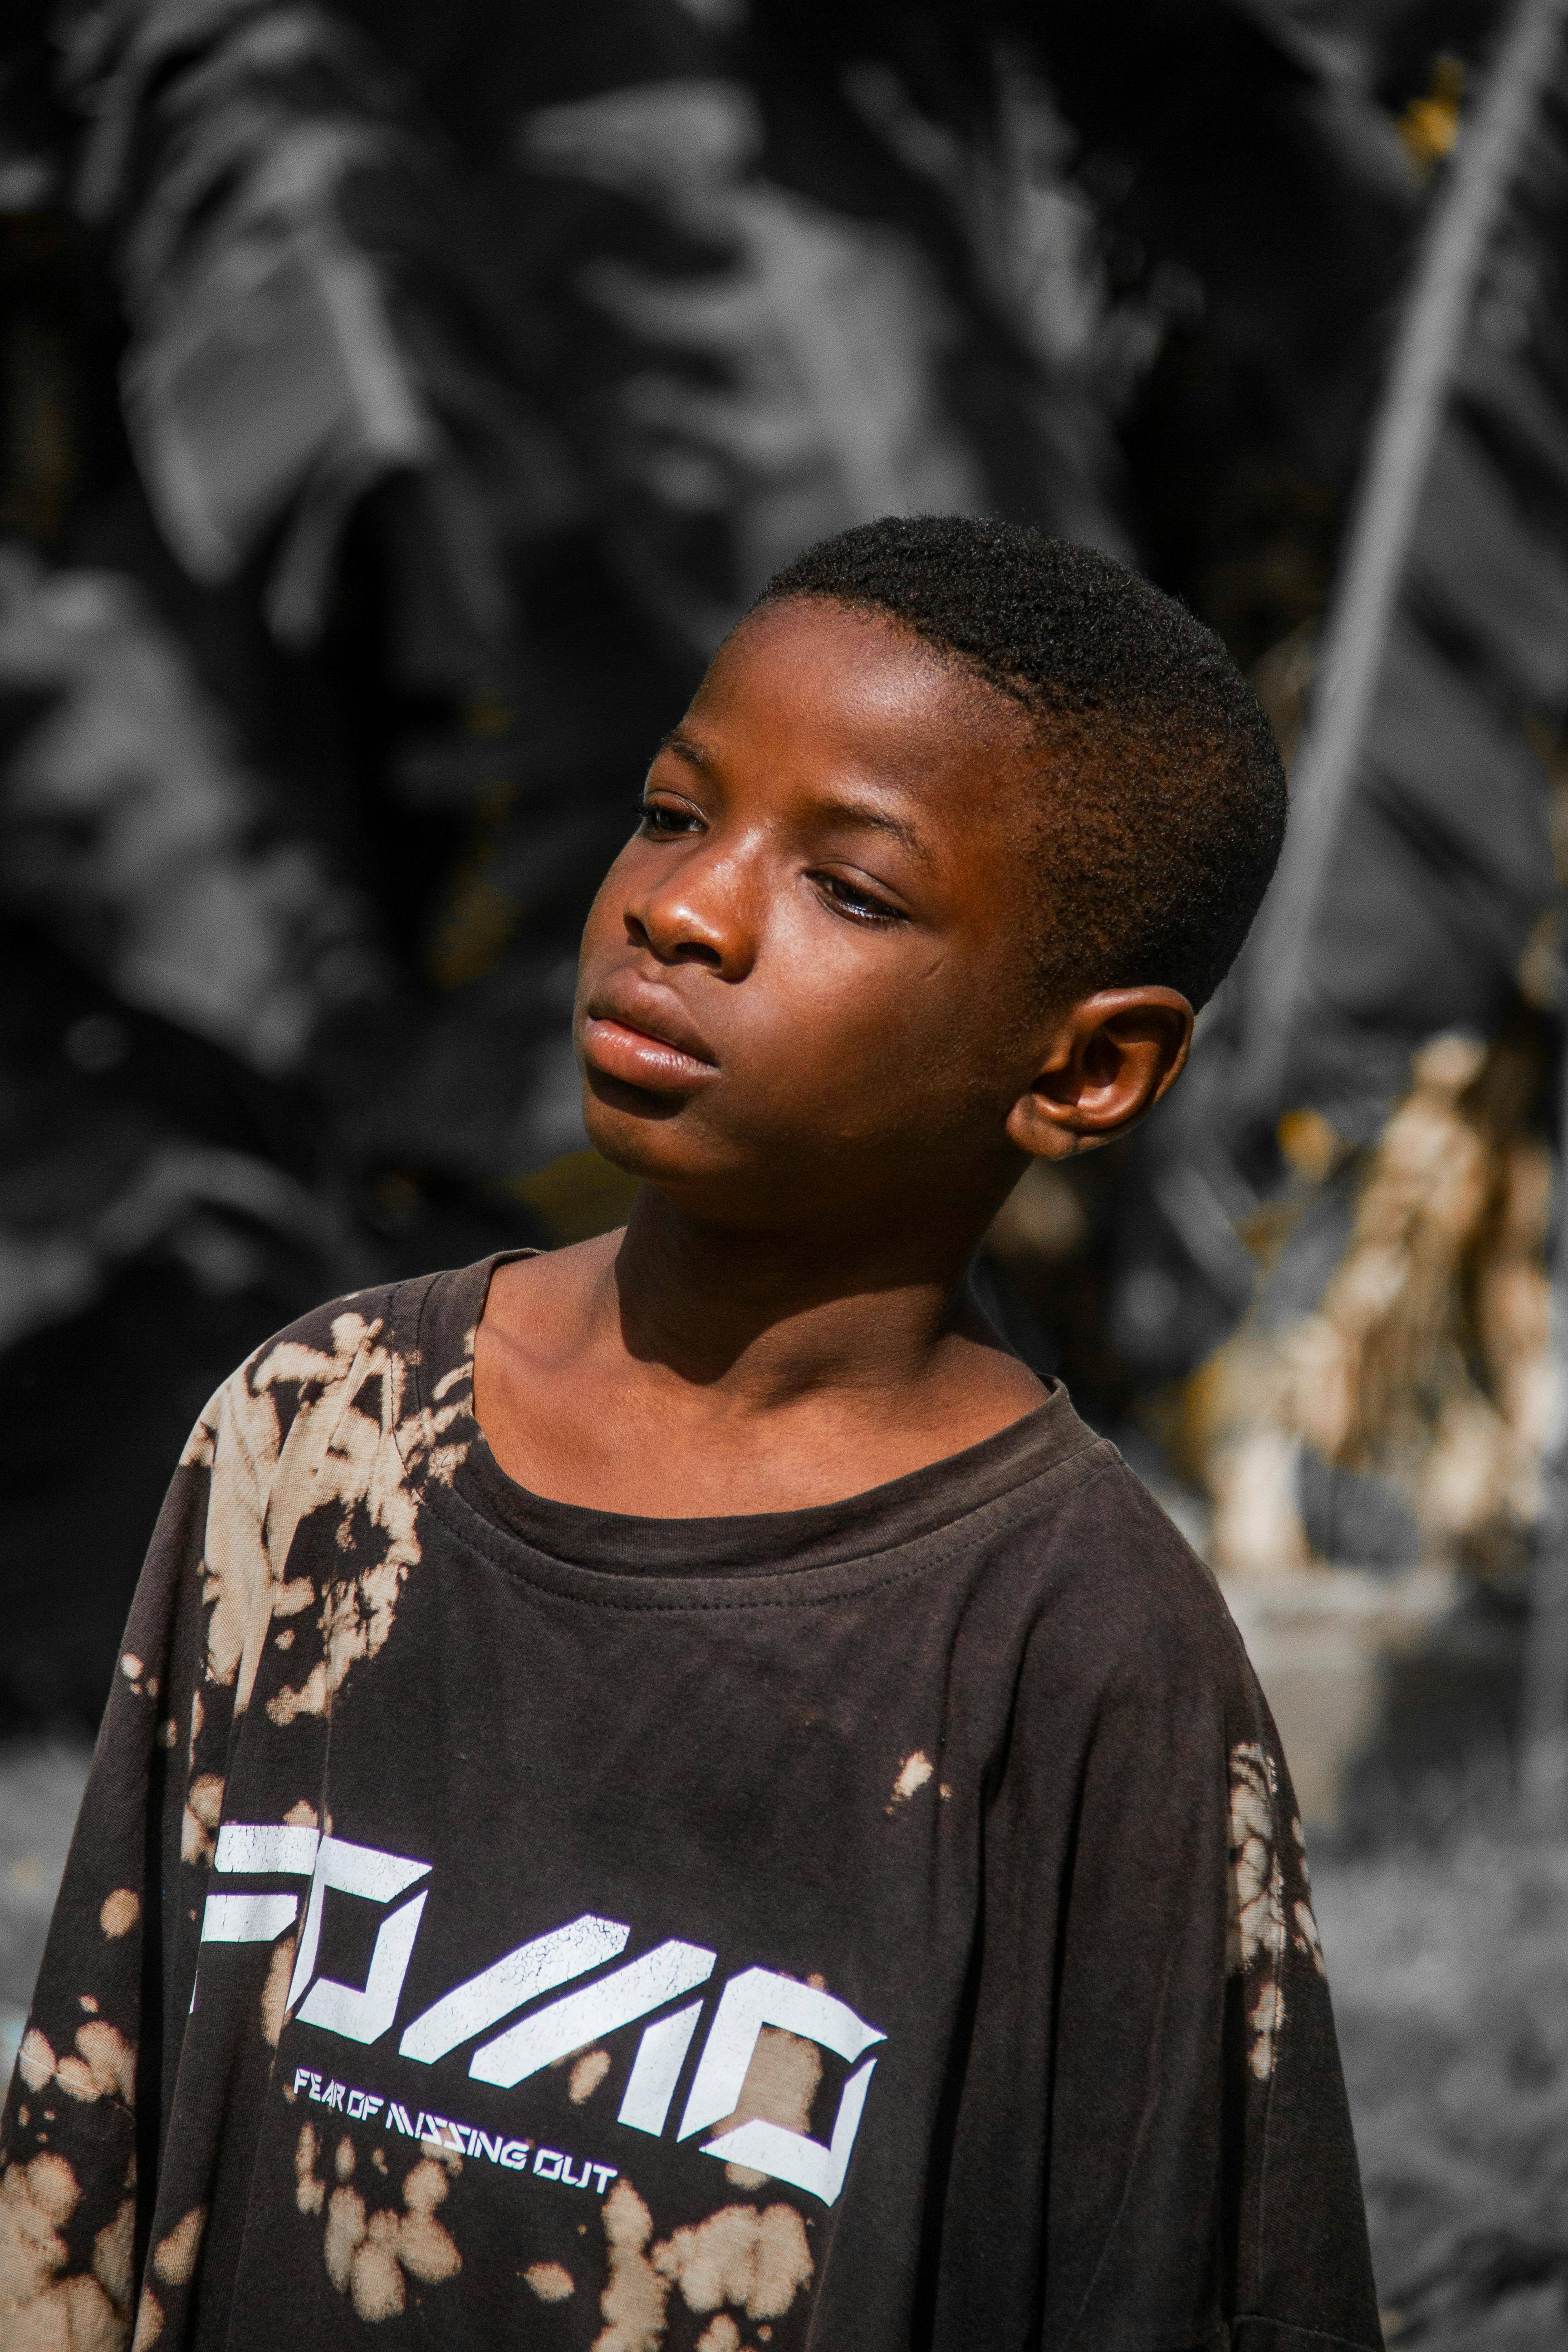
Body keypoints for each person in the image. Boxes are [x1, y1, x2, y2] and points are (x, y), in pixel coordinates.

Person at [0, 517, 1380, 2350]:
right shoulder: (321, 1436)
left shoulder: (1076, 1647)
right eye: (672, 811)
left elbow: (1169, 2283)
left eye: (853, 891)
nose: (684, 909)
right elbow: (93, 2133)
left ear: (1084, 1069)